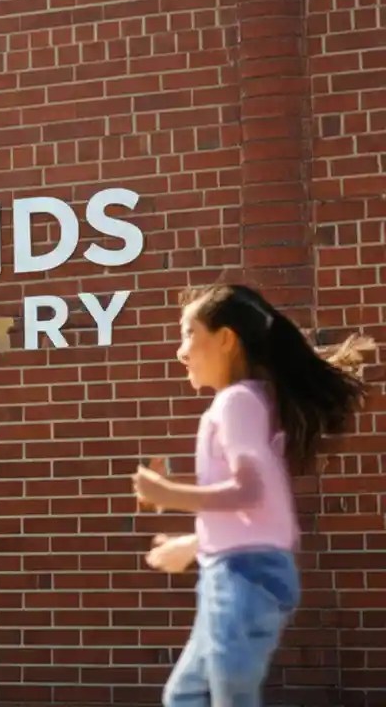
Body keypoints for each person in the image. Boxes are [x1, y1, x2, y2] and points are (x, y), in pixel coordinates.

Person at [132, 284, 371, 707]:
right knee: (185, 694)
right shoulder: (253, 401)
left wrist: (168, 493)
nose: (180, 351)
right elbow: (266, 510)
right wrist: (195, 543)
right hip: (239, 568)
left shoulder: (237, 403)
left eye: (189, 334)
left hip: (244, 575)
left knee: (228, 698)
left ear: (225, 339)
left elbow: (251, 490)